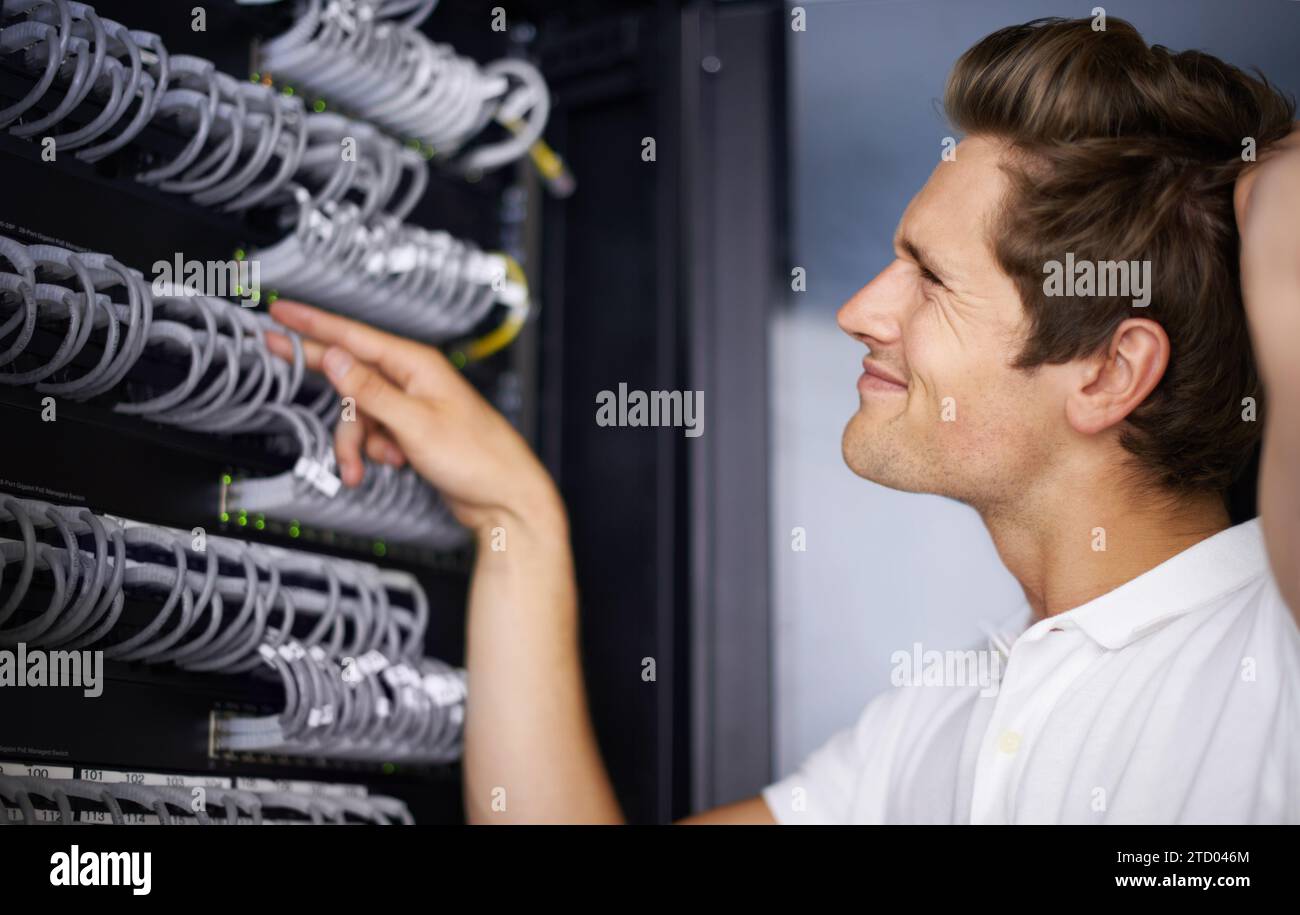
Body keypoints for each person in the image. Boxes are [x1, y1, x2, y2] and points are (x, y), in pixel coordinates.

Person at [266, 16, 1300, 824]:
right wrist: (514, 518)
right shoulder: (939, 721)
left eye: (929, 279)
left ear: (1110, 370)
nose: (860, 311)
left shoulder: (1274, 655)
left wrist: (1232, 181)